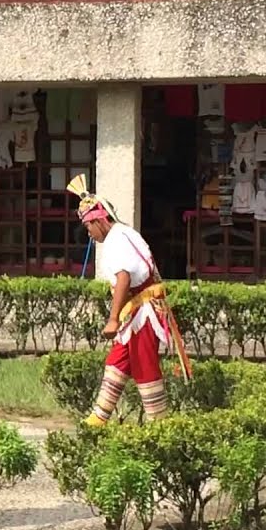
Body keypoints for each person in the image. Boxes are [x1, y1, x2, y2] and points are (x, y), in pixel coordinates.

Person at [67, 175, 191, 428]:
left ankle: (160, 424)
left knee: (145, 366)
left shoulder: (117, 239)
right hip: (137, 312)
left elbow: (123, 278)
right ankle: (98, 417)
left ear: (99, 220)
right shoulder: (123, 234)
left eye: (88, 227)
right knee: (117, 362)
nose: (89, 234)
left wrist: (112, 319)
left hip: (142, 312)